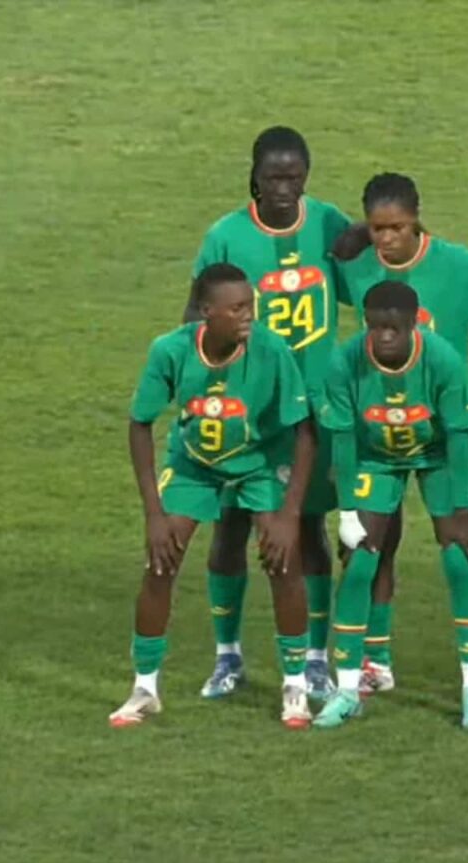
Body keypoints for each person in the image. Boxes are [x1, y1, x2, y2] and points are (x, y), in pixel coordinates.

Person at [185, 126, 352, 702]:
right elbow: (193, 320)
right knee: (230, 528)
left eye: (295, 176)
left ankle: (314, 660)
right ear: (255, 175)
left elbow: (383, 263)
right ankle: (227, 656)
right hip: (244, 415)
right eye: (274, 176)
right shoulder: (226, 236)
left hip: (313, 414)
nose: (285, 187)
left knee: (307, 529)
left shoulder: (329, 223)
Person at [112, 264, 317, 729]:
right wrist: (153, 513)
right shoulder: (170, 350)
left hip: (260, 463)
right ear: (207, 312)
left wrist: (289, 514)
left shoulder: (271, 350)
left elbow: (305, 431)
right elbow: (140, 424)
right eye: (238, 308)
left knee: (283, 560)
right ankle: (145, 688)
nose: (249, 316)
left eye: (252, 305)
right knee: (160, 562)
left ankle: (296, 685)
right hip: (193, 465)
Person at [335, 172, 468, 698]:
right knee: (368, 544)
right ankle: (375, 658)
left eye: (397, 227)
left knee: (461, 543)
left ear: (417, 219)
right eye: (377, 228)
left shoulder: (458, 265)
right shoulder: (356, 267)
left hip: (441, 434)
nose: (386, 238)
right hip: (378, 434)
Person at [309, 282, 468, 730]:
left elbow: (460, 437)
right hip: (375, 457)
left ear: (414, 324)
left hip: (437, 457)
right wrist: (349, 510)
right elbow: (344, 440)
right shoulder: (345, 363)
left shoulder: (443, 361)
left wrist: (464, 509)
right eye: (376, 327)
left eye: (394, 328)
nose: (384, 336)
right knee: (358, 561)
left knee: (458, 557)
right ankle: (348, 688)